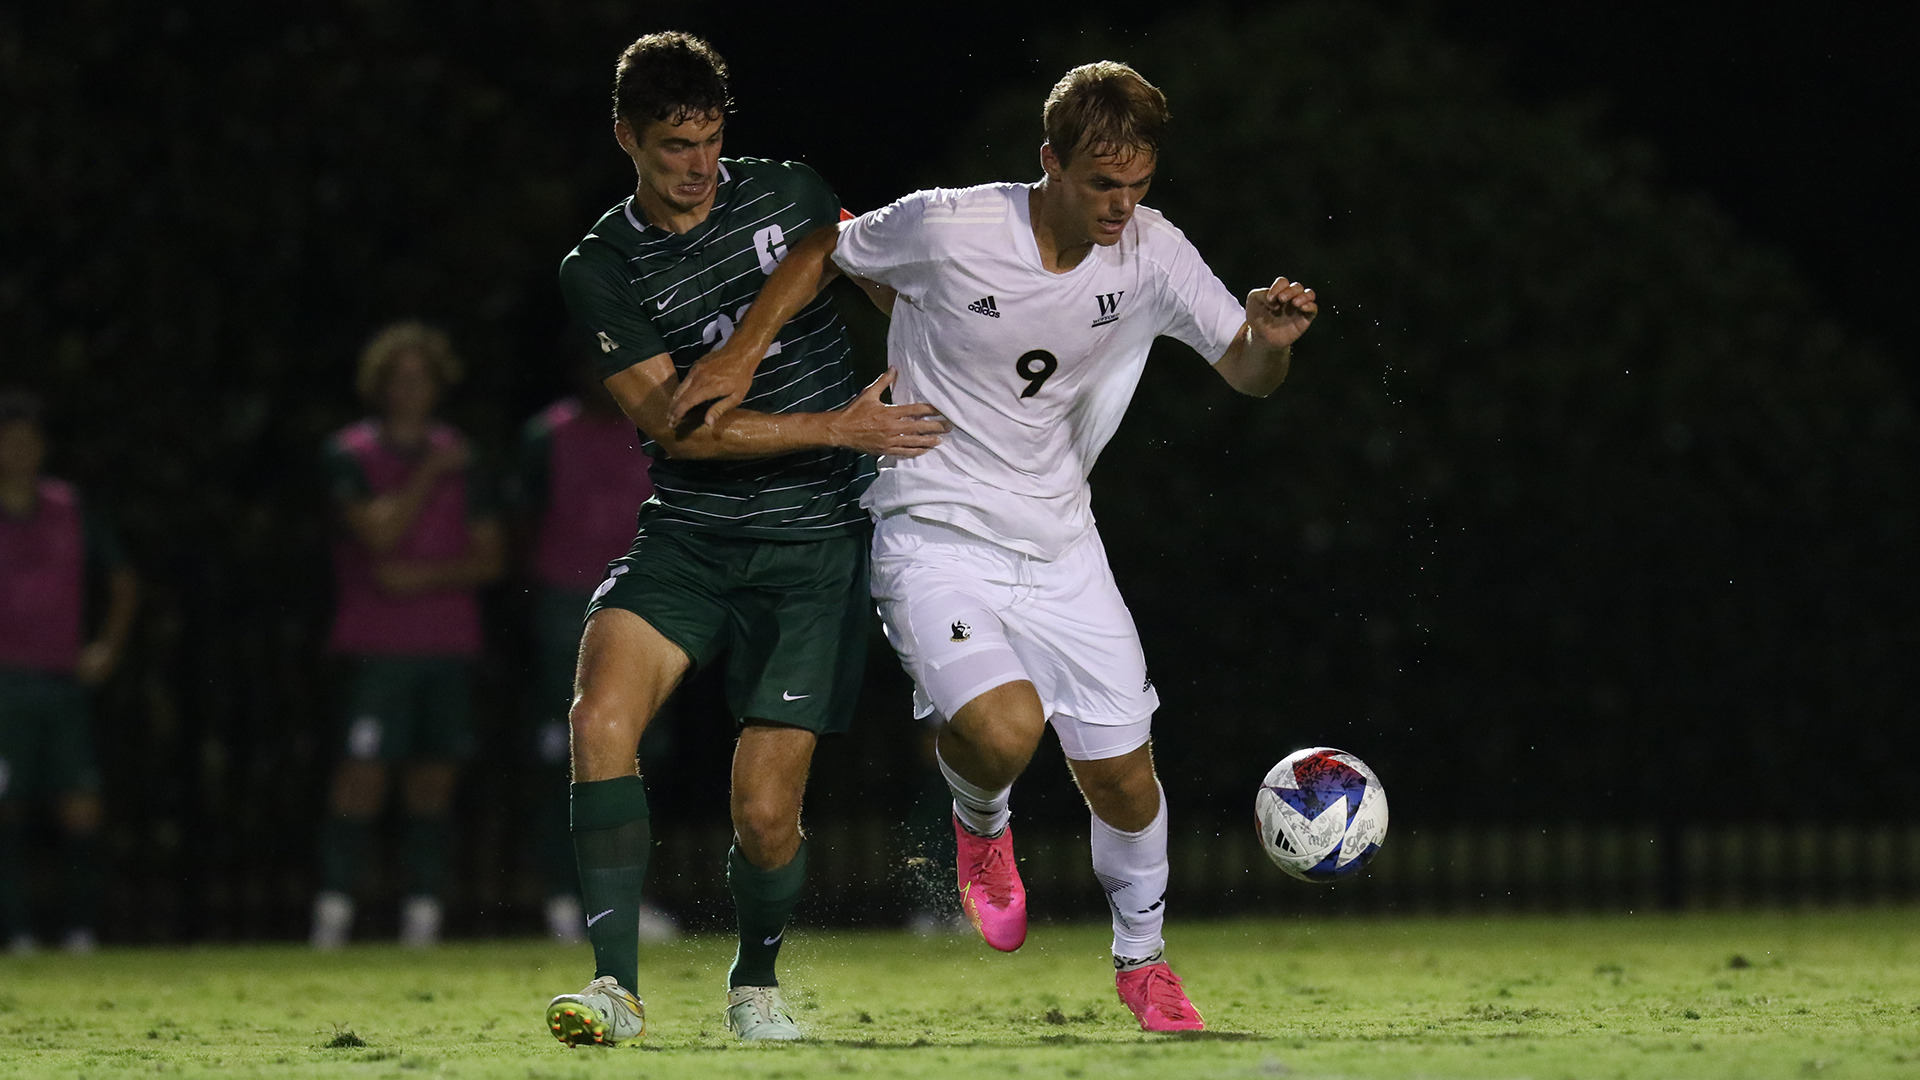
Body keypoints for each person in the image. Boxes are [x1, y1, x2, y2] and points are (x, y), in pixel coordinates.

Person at [674, 61, 1319, 1033]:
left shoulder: (1151, 251)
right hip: (932, 522)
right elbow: (829, 248)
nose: (1121, 206)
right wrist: (740, 354)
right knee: (1006, 730)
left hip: (1061, 539)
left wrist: (1269, 342)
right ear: (1048, 161)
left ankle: (1143, 966)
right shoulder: (952, 223)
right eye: (1103, 185)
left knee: (1124, 778)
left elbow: (1245, 371)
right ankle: (981, 828)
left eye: (1138, 185)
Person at [541, 31, 947, 1046]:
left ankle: (754, 983)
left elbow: (874, 271)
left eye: (712, 139)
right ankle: (614, 988)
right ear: (627, 139)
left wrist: (925, 355)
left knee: (765, 813)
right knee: (598, 722)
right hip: (692, 533)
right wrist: (838, 426)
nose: (698, 165)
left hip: (814, 542)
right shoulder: (601, 267)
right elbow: (680, 426)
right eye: (674, 145)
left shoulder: (790, 193)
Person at [309, 321, 505, 949]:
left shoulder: (466, 459)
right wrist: (426, 473)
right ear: (379, 386)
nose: (410, 390)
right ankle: (334, 911)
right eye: (399, 379)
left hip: (447, 644)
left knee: (433, 779)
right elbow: (379, 535)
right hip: (374, 646)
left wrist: (412, 579)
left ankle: (425, 913)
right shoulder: (350, 454)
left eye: (421, 378)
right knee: (362, 775)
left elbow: (490, 559)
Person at [508, 361, 677, 944]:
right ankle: (562, 895)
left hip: (645, 606)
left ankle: (626, 897)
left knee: (640, 757)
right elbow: (520, 529)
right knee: (571, 754)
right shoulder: (546, 437)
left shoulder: (658, 424)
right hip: (566, 612)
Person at [0, 391, 139, 955]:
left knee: (81, 808)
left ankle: (82, 931)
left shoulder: (71, 507)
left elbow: (124, 581)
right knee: (5, 807)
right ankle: (17, 934)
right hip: (4, 686)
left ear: (43, 448)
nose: (19, 451)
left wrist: (107, 646)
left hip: (62, 684)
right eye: (8, 441)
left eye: (28, 441)